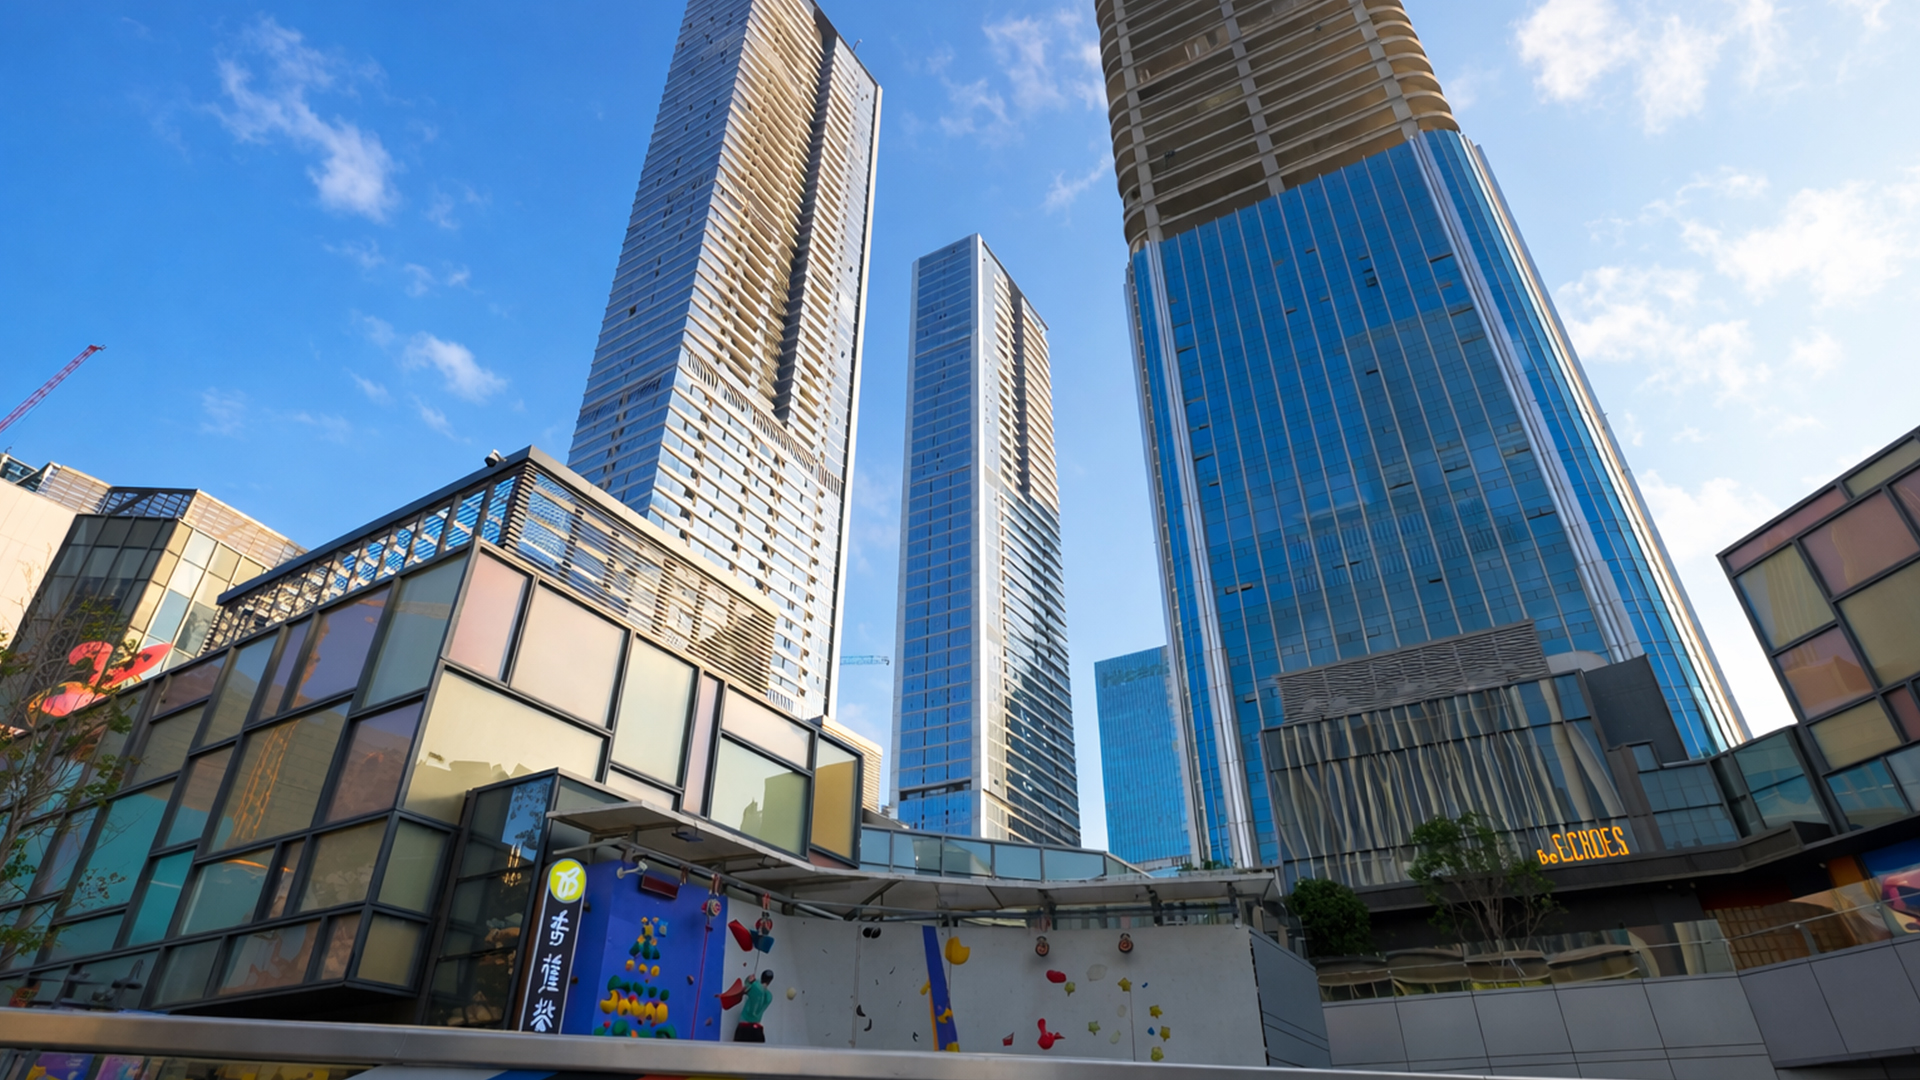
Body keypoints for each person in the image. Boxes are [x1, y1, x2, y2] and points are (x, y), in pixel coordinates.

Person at [734, 969, 774, 1042]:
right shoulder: (769, 996)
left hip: (744, 1027)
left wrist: (750, 980)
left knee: (738, 1052)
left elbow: (745, 987)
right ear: (770, 981)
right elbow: (761, 991)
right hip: (757, 1030)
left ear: (761, 977)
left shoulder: (755, 986)